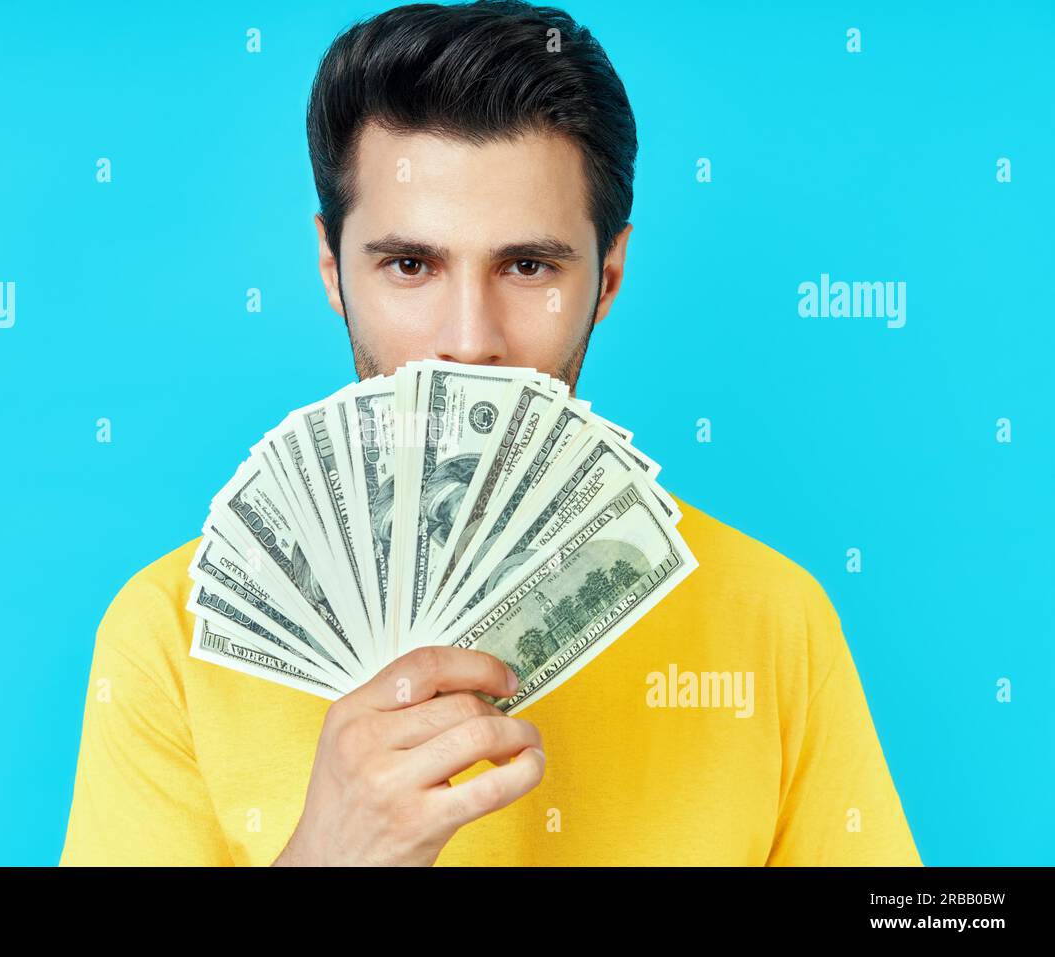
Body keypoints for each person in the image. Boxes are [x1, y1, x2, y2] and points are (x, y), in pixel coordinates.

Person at [59, 0, 921, 866]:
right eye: (409, 265)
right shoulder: (170, 634)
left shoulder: (774, 619)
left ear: (608, 277)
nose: (469, 340)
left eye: (528, 266)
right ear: (332, 270)